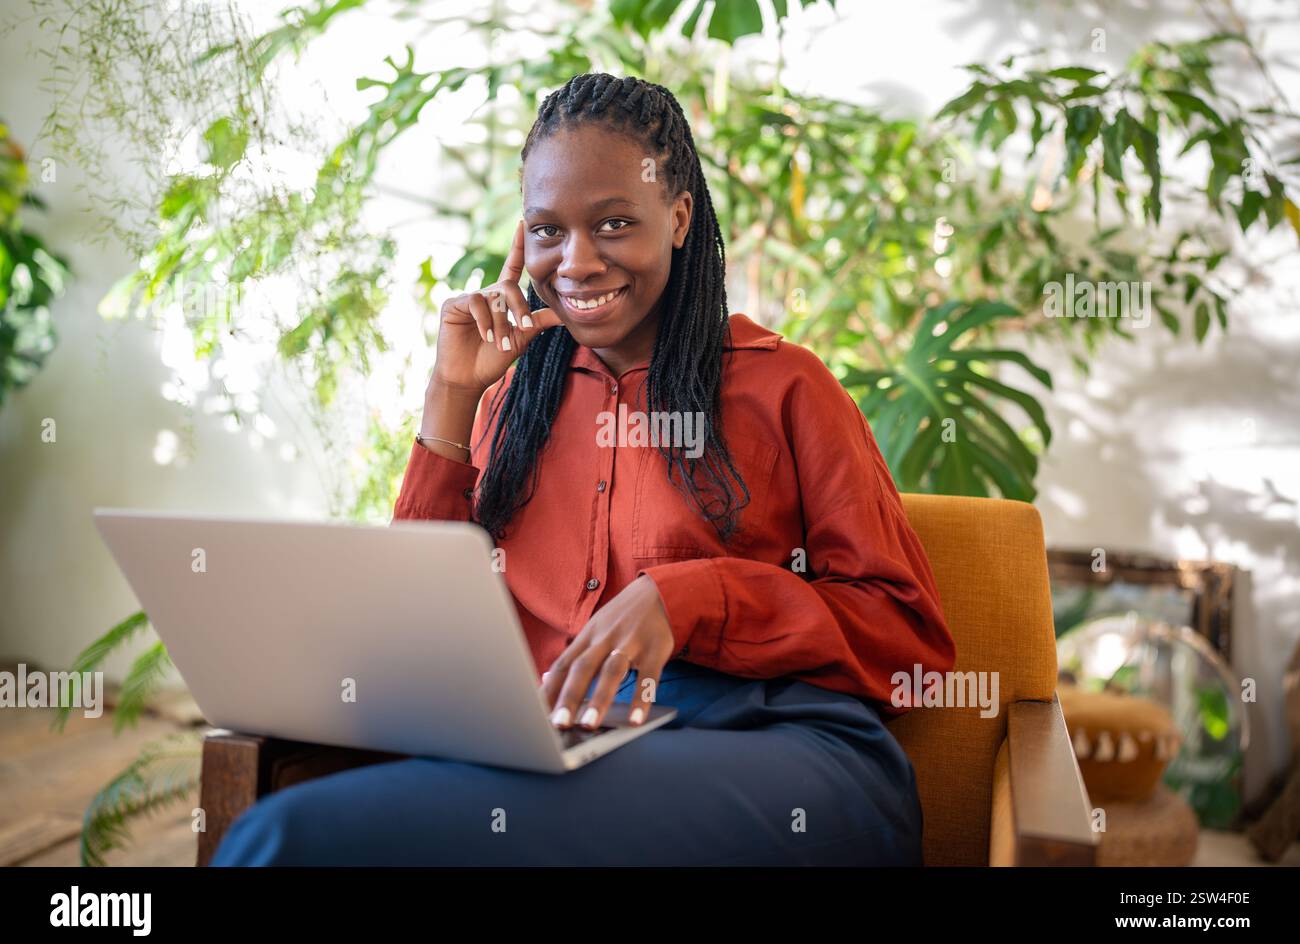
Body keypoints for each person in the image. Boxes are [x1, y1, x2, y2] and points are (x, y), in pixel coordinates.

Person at [210, 72, 956, 866]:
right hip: (563, 756)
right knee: (295, 833)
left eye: (612, 224)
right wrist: (452, 397)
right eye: (547, 230)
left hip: (777, 748)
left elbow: (910, 644)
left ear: (677, 218)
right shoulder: (514, 401)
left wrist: (691, 596)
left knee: (298, 838)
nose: (577, 262)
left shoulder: (786, 385)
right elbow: (422, 636)